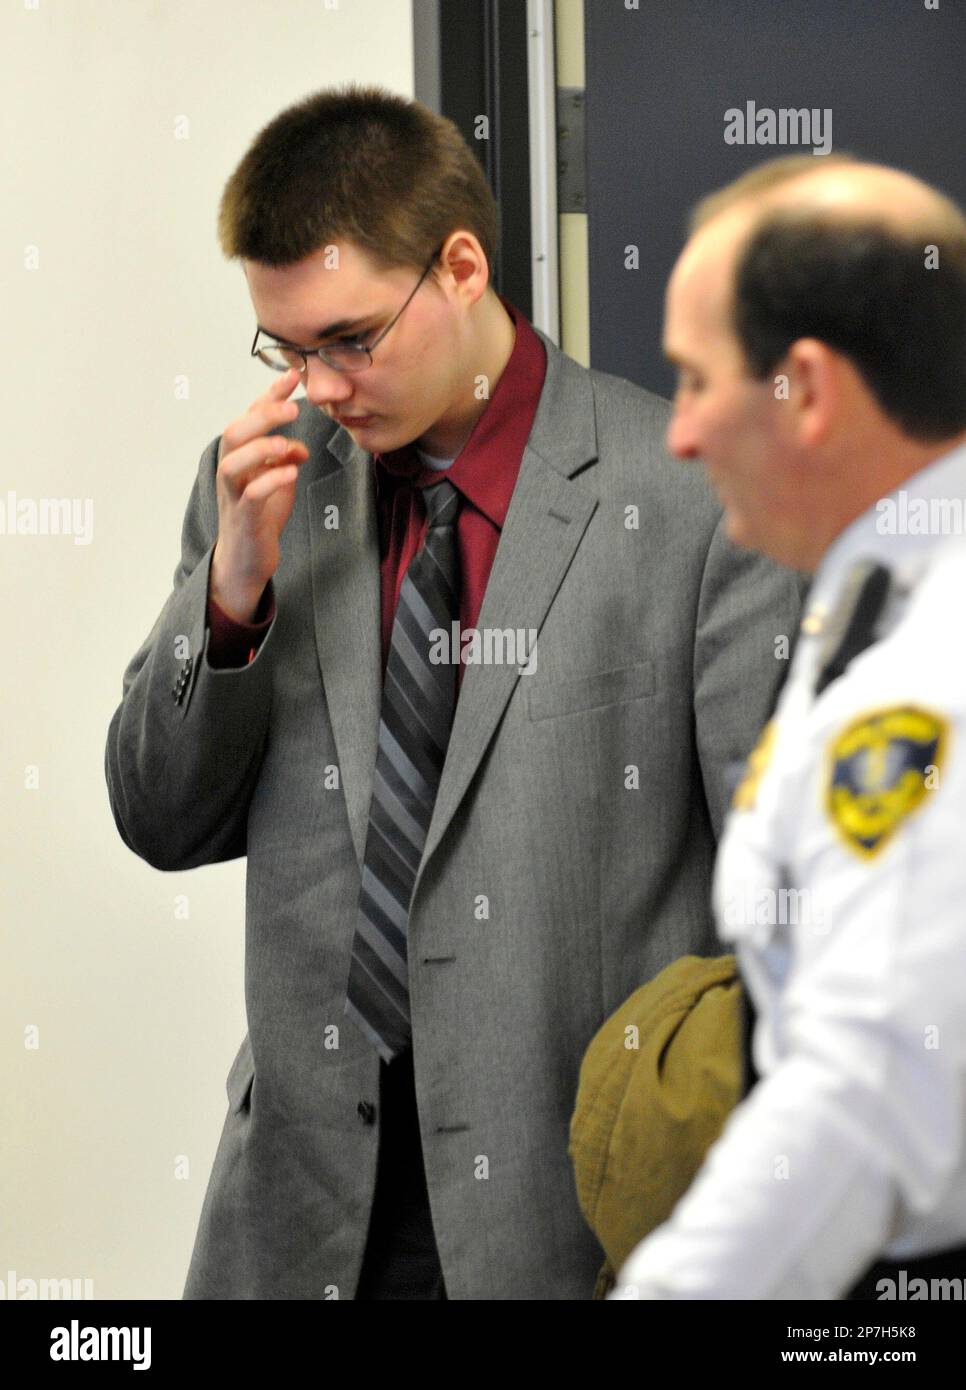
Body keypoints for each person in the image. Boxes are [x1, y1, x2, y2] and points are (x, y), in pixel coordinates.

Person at [104, 84, 801, 1300]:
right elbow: (161, 819)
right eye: (287, 348)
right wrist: (228, 592)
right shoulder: (262, 496)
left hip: (576, 1227)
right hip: (303, 1227)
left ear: (463, 267)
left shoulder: (691, 504)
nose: (317, 388)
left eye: (350, 340)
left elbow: (790, 906)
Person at [613, 154, 966, 1300]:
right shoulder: (872, 591)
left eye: (694, 379)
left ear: (802, 391)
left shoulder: (930, 667)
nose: (676, 433)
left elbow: (865, 1094)